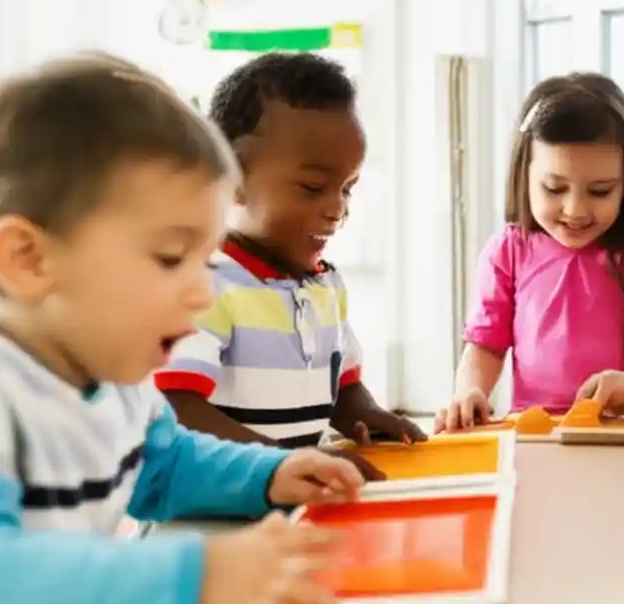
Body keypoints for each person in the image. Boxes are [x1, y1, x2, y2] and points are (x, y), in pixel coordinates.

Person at [0, 55, 365, 603]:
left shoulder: (113, 382)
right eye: (171, 258)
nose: (202, 290)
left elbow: (167, 465)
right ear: (29, 259)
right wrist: (197, 573)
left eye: (204, 257)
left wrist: (271, 472)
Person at [156, 53, 424, 477]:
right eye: (313, 187)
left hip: (290, 503)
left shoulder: (325, 287)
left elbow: (343, 384)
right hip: (213, 515)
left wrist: (365, 412)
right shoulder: (205, 285)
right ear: (231, 179)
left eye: (348, 188)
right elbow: (177, 408)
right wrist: (283, 462)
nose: (337, 209)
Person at [436, 73, 624, 431]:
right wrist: (469, 392)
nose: (575, 210)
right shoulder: (508, 251)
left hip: (622, 429)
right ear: (525, 174)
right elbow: (486, 345)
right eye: (554, 188)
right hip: (532, 432)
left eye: (600, 191)